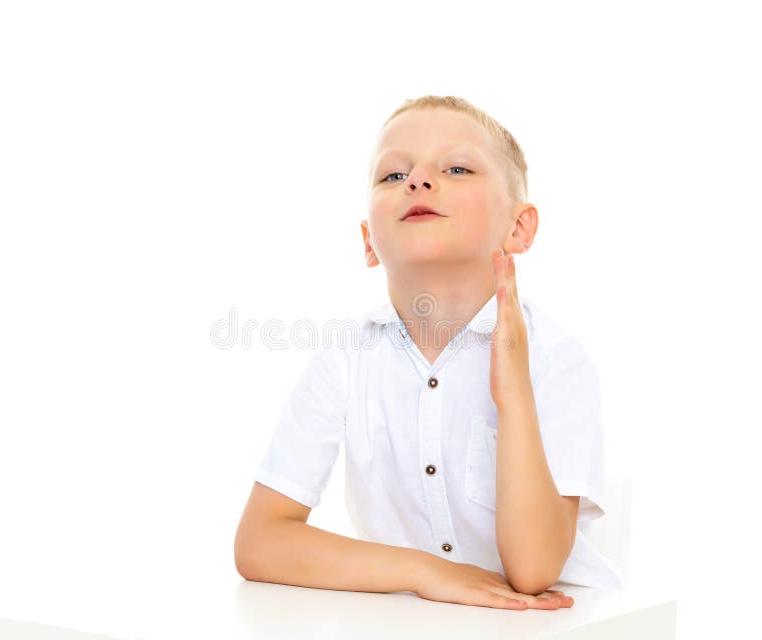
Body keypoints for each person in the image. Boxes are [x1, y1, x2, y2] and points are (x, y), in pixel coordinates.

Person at [234, 95, 624, 611]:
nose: (417, 180)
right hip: (422, 619)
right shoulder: (345, 361)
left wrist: (514, 400)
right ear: (369, 240)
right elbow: (259, 542)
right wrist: (425, 572)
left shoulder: (556, 361)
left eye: (457, 168)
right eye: (393, 175)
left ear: (518, 228)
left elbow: (532, 571)